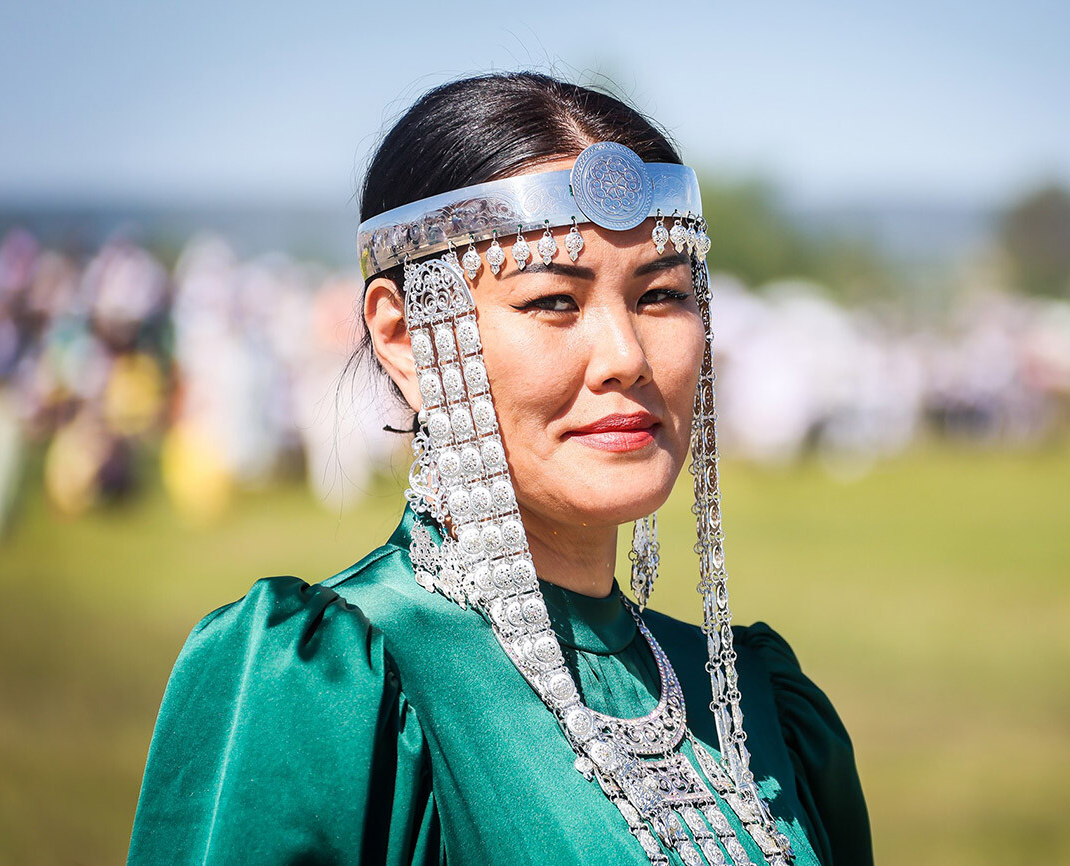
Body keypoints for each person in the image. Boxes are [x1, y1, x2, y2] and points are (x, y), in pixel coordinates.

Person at [128, 72, 873, 866]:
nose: (626, 357)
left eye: (660, 294)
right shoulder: (332, 688)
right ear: (406, 336)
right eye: (554, 301)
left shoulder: (760, 706)